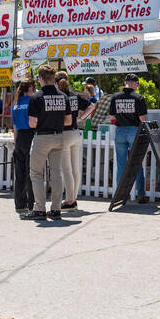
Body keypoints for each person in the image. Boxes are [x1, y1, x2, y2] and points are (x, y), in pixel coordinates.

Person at [27, 64, 70, 220]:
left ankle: (39, 209)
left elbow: (32, 123)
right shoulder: (63, 97)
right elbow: (68, 120)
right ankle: (56, 209)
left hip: (42, 137)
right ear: (54, 79)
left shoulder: (36, 97)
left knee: (37, 173)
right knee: (56, 173)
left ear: (40, 79)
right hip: (59, 136)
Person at [107, 73, 149, 203]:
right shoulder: (138, 97)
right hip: (134, 131)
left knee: (120, 165)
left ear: (125, 82)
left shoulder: (115, 97)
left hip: (119, 131)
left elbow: (111, 117)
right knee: (136, 163)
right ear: (135, 83)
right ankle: (141, 194)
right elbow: (143, 119)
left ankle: (120, 196)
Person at [58, 73, 94, 210]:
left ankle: (69, 200)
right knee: (75, 168)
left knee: (67, 169)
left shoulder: (60, 97)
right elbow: (91, 106)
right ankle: (73, 198)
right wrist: (81, 118)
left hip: (65, 133)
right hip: (76, 132)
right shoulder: (74, 95)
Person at [10, 80, 35, 217]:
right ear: (30, 88)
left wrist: (16, 144)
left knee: (20, 174)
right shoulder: (33, 102)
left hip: (19, 139)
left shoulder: (16, 105)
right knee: (32, 173)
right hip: (31, 136)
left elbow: (15, 127)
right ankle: (32, 203)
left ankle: (19, 204)